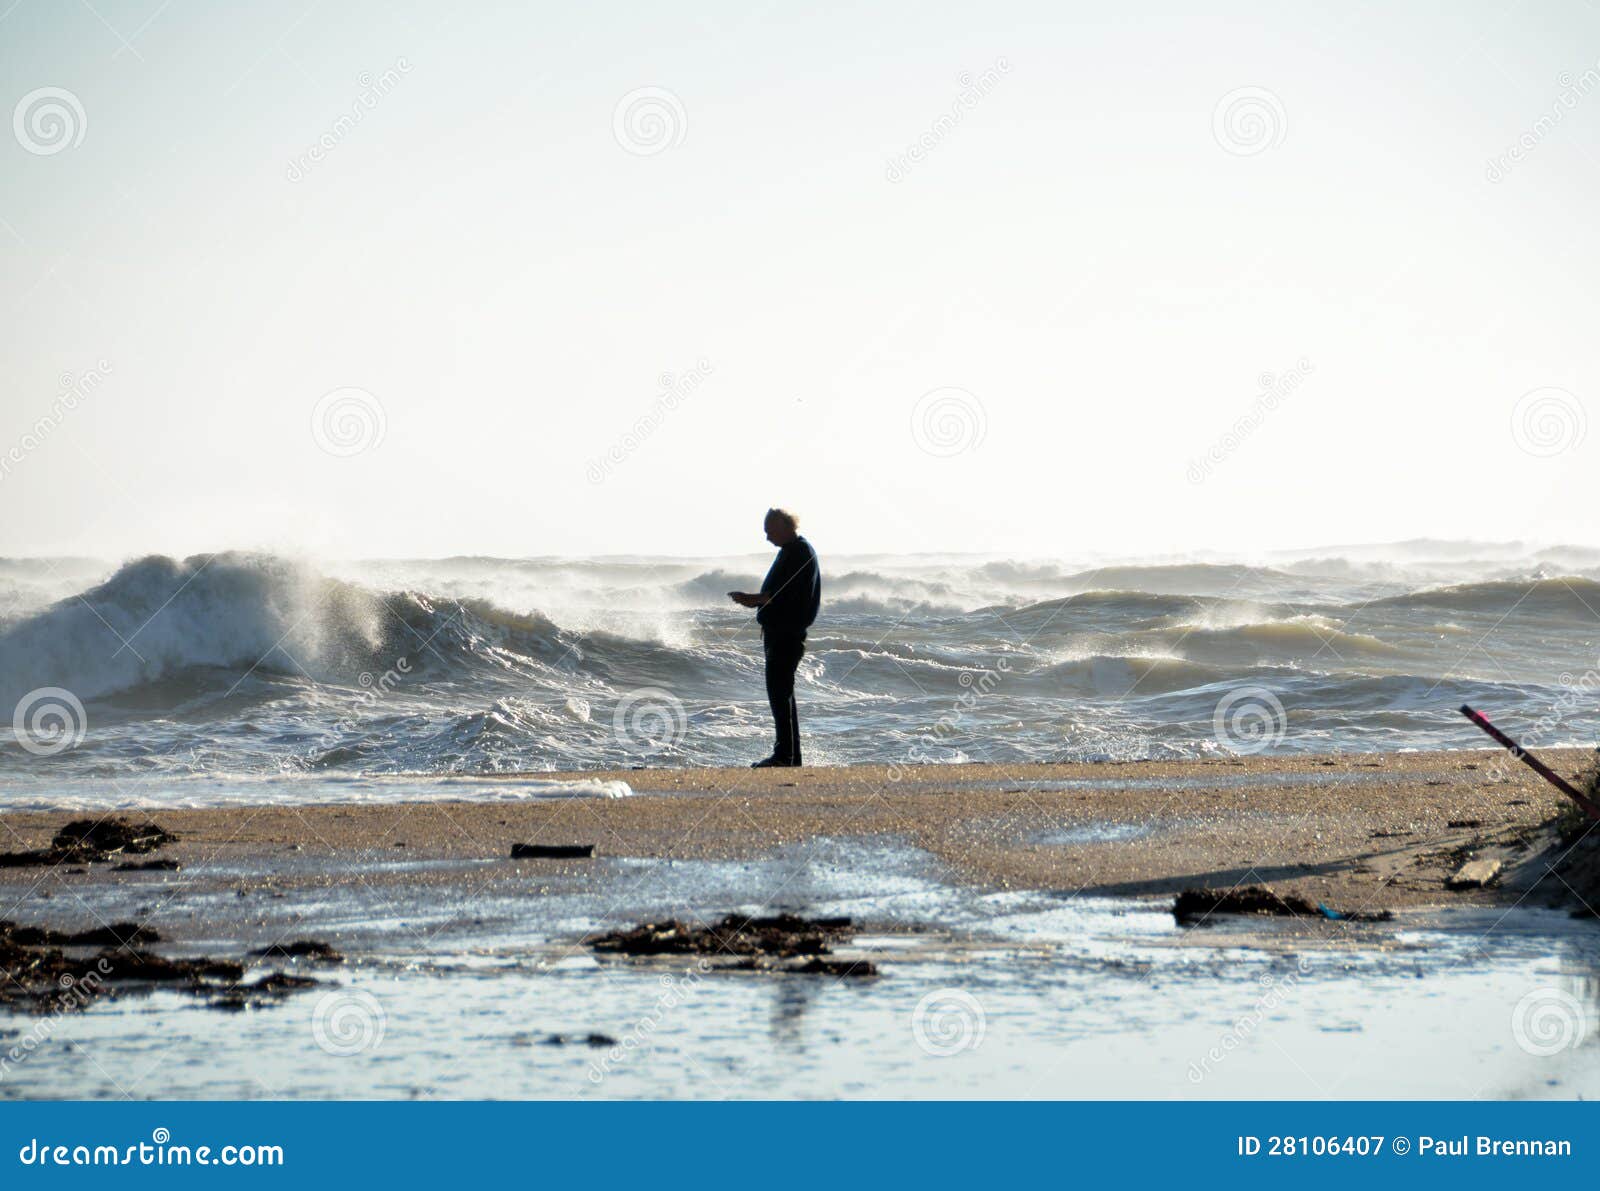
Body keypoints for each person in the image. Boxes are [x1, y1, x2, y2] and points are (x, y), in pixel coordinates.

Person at [728, 508, 821, 767]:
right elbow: (777, 594)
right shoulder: (794, 551)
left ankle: (785, 756)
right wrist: (755, 601)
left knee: (780, 694)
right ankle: (790, 756)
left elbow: (776, 594)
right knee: (782, 694)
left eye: (770, 531)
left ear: (784, 526)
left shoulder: (798, 552)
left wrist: (749, 599)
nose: (767, 537)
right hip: (783, 633)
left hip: (786, 634)